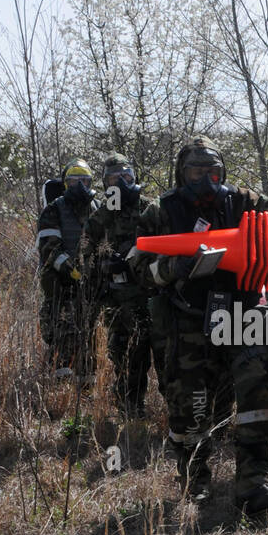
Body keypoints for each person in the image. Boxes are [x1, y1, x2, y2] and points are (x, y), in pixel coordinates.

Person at [128, 137, 268, 514]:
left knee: (259, 391)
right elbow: (137, 265)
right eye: (196, 173)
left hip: (241, 312)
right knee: (190, 407)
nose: (206, 181)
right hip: (188, 319)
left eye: (214, 172)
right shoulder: (163, 210)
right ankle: (196, 481)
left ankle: (254, 484)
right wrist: (173, 267)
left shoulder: (243, 200)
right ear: (181, 173)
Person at [81, 154, 154, 415]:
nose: (122, 183)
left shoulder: (147, 206)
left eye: (126, 176)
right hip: (116, 295)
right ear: (106, 182)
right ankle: (129, 406)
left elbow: (165, 243)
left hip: (148, 291)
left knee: (154, 348)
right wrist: (104, 261)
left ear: (133, 177)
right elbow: (85, 246)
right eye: (114, 178)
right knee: (123, 350)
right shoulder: (105, 211)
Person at [36, 158, 98, 378]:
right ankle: (58, 390)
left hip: (90, 286)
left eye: (85, 180)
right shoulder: (54, 209)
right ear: (65, 184)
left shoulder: (96, 208)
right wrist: (73, 271)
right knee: (63, 333)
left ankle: (86, 388)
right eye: (74, 181)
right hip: (62, 285)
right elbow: (49, 248)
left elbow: (103, 243)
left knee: (90, 335)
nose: (80, 186)